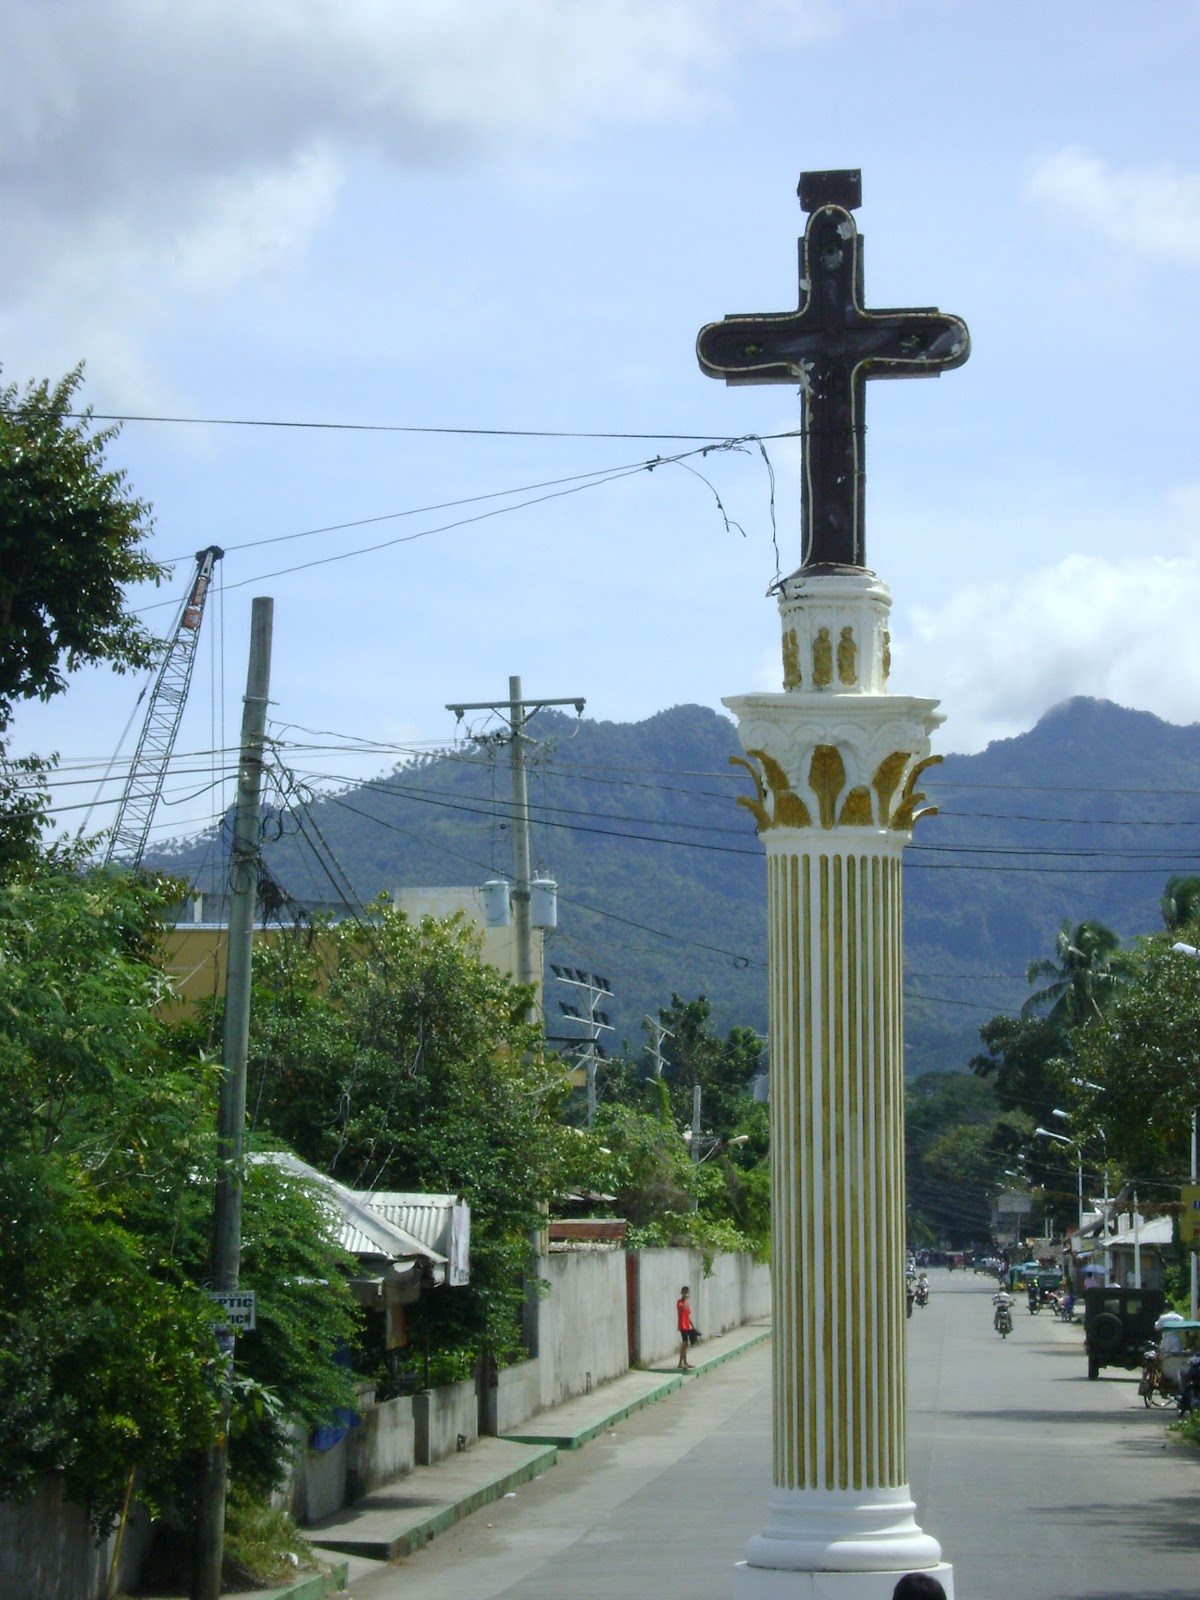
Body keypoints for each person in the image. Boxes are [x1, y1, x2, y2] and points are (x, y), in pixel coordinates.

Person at [677, 1285, 695, 1371]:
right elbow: (682, 1308)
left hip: (687, 1326)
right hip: (682, 1326)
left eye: (687, 1293)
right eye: (685, 1293)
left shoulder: (687, 1304)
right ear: (682, 1293)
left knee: (686, 1344)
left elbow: (688, 1315)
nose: (686, 1295)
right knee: (684, 1343)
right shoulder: (680, 1302)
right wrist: (685, 1300)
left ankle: (685, 1362)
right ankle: (680, 1363)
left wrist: (692, 1325)